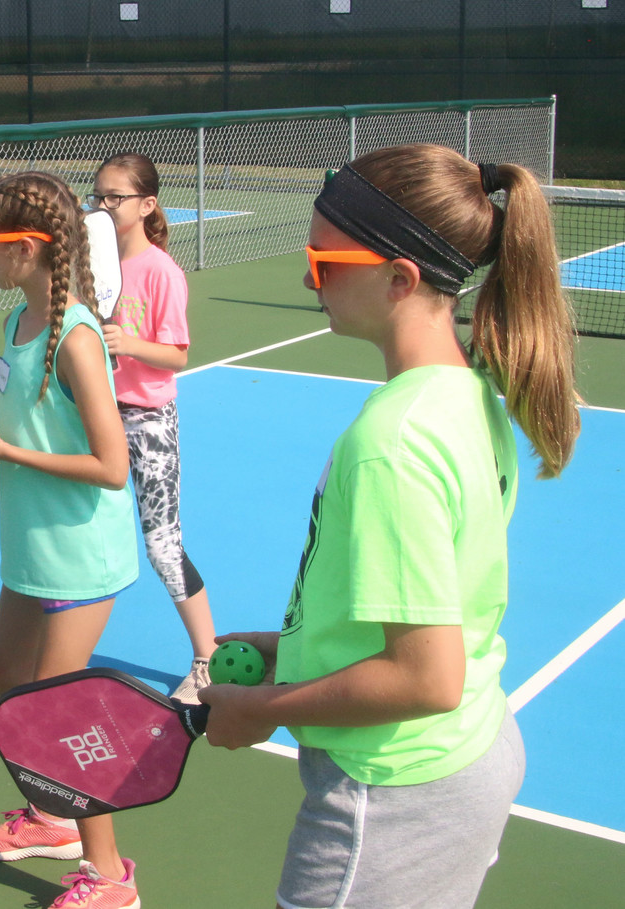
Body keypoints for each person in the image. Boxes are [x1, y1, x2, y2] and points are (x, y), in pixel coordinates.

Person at [200, 144, 579, 909]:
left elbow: (424, 676)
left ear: (400, 278)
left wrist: (261, 711)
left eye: (325, 260)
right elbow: (434, 615)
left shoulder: (392, 442)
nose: (309, 278)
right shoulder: (469, 397)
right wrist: (295, 650)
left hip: (397, 791)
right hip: (469, 754)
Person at [0, 171, 141, 909]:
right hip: (29, 543)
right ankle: (54, 816)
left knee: (59, 709)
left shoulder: (76, 339)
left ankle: (111, 876)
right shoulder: (19, 325)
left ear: (27, 247)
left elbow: (112, 466)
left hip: (81, 549)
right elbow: (28, 435)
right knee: (5, 670)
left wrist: (7, 453)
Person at [89, 152, 218, 704]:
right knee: (88, 533)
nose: (103, 205)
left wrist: (127, 342)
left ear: (147, 205)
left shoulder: (162, 271)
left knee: (163, 546)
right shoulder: (93, 265)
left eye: (115, 197)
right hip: (97, 414)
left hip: (148, 423)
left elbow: (178, 355)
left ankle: (207, 657)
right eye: (98, 195)